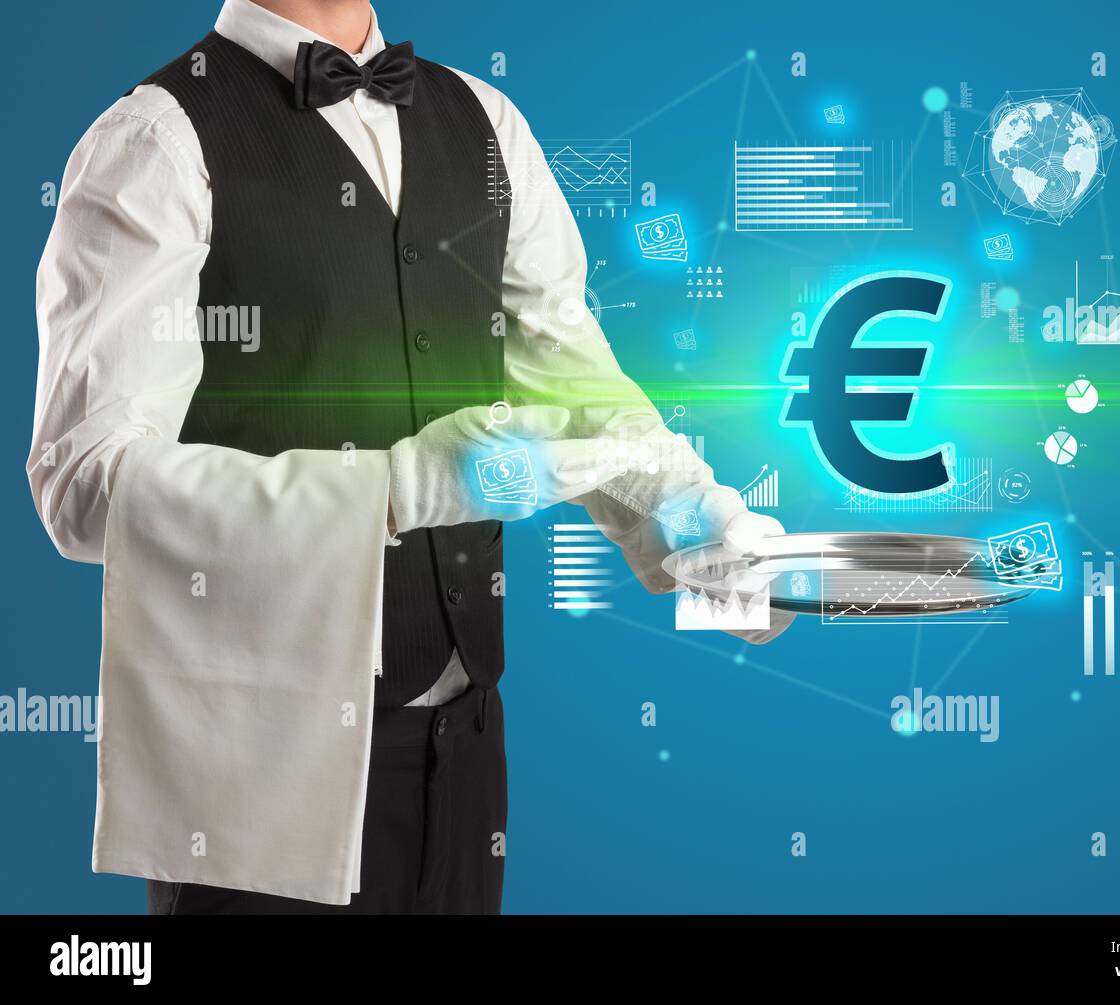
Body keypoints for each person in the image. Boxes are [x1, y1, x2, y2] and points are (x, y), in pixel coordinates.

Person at [29, 0, 790, 914]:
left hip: (465, 755)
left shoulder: (487, 120)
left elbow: (578, 396)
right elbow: (84, 485)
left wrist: (707, 537)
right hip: (259, 769)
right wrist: (392, 491)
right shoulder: (153, 138)